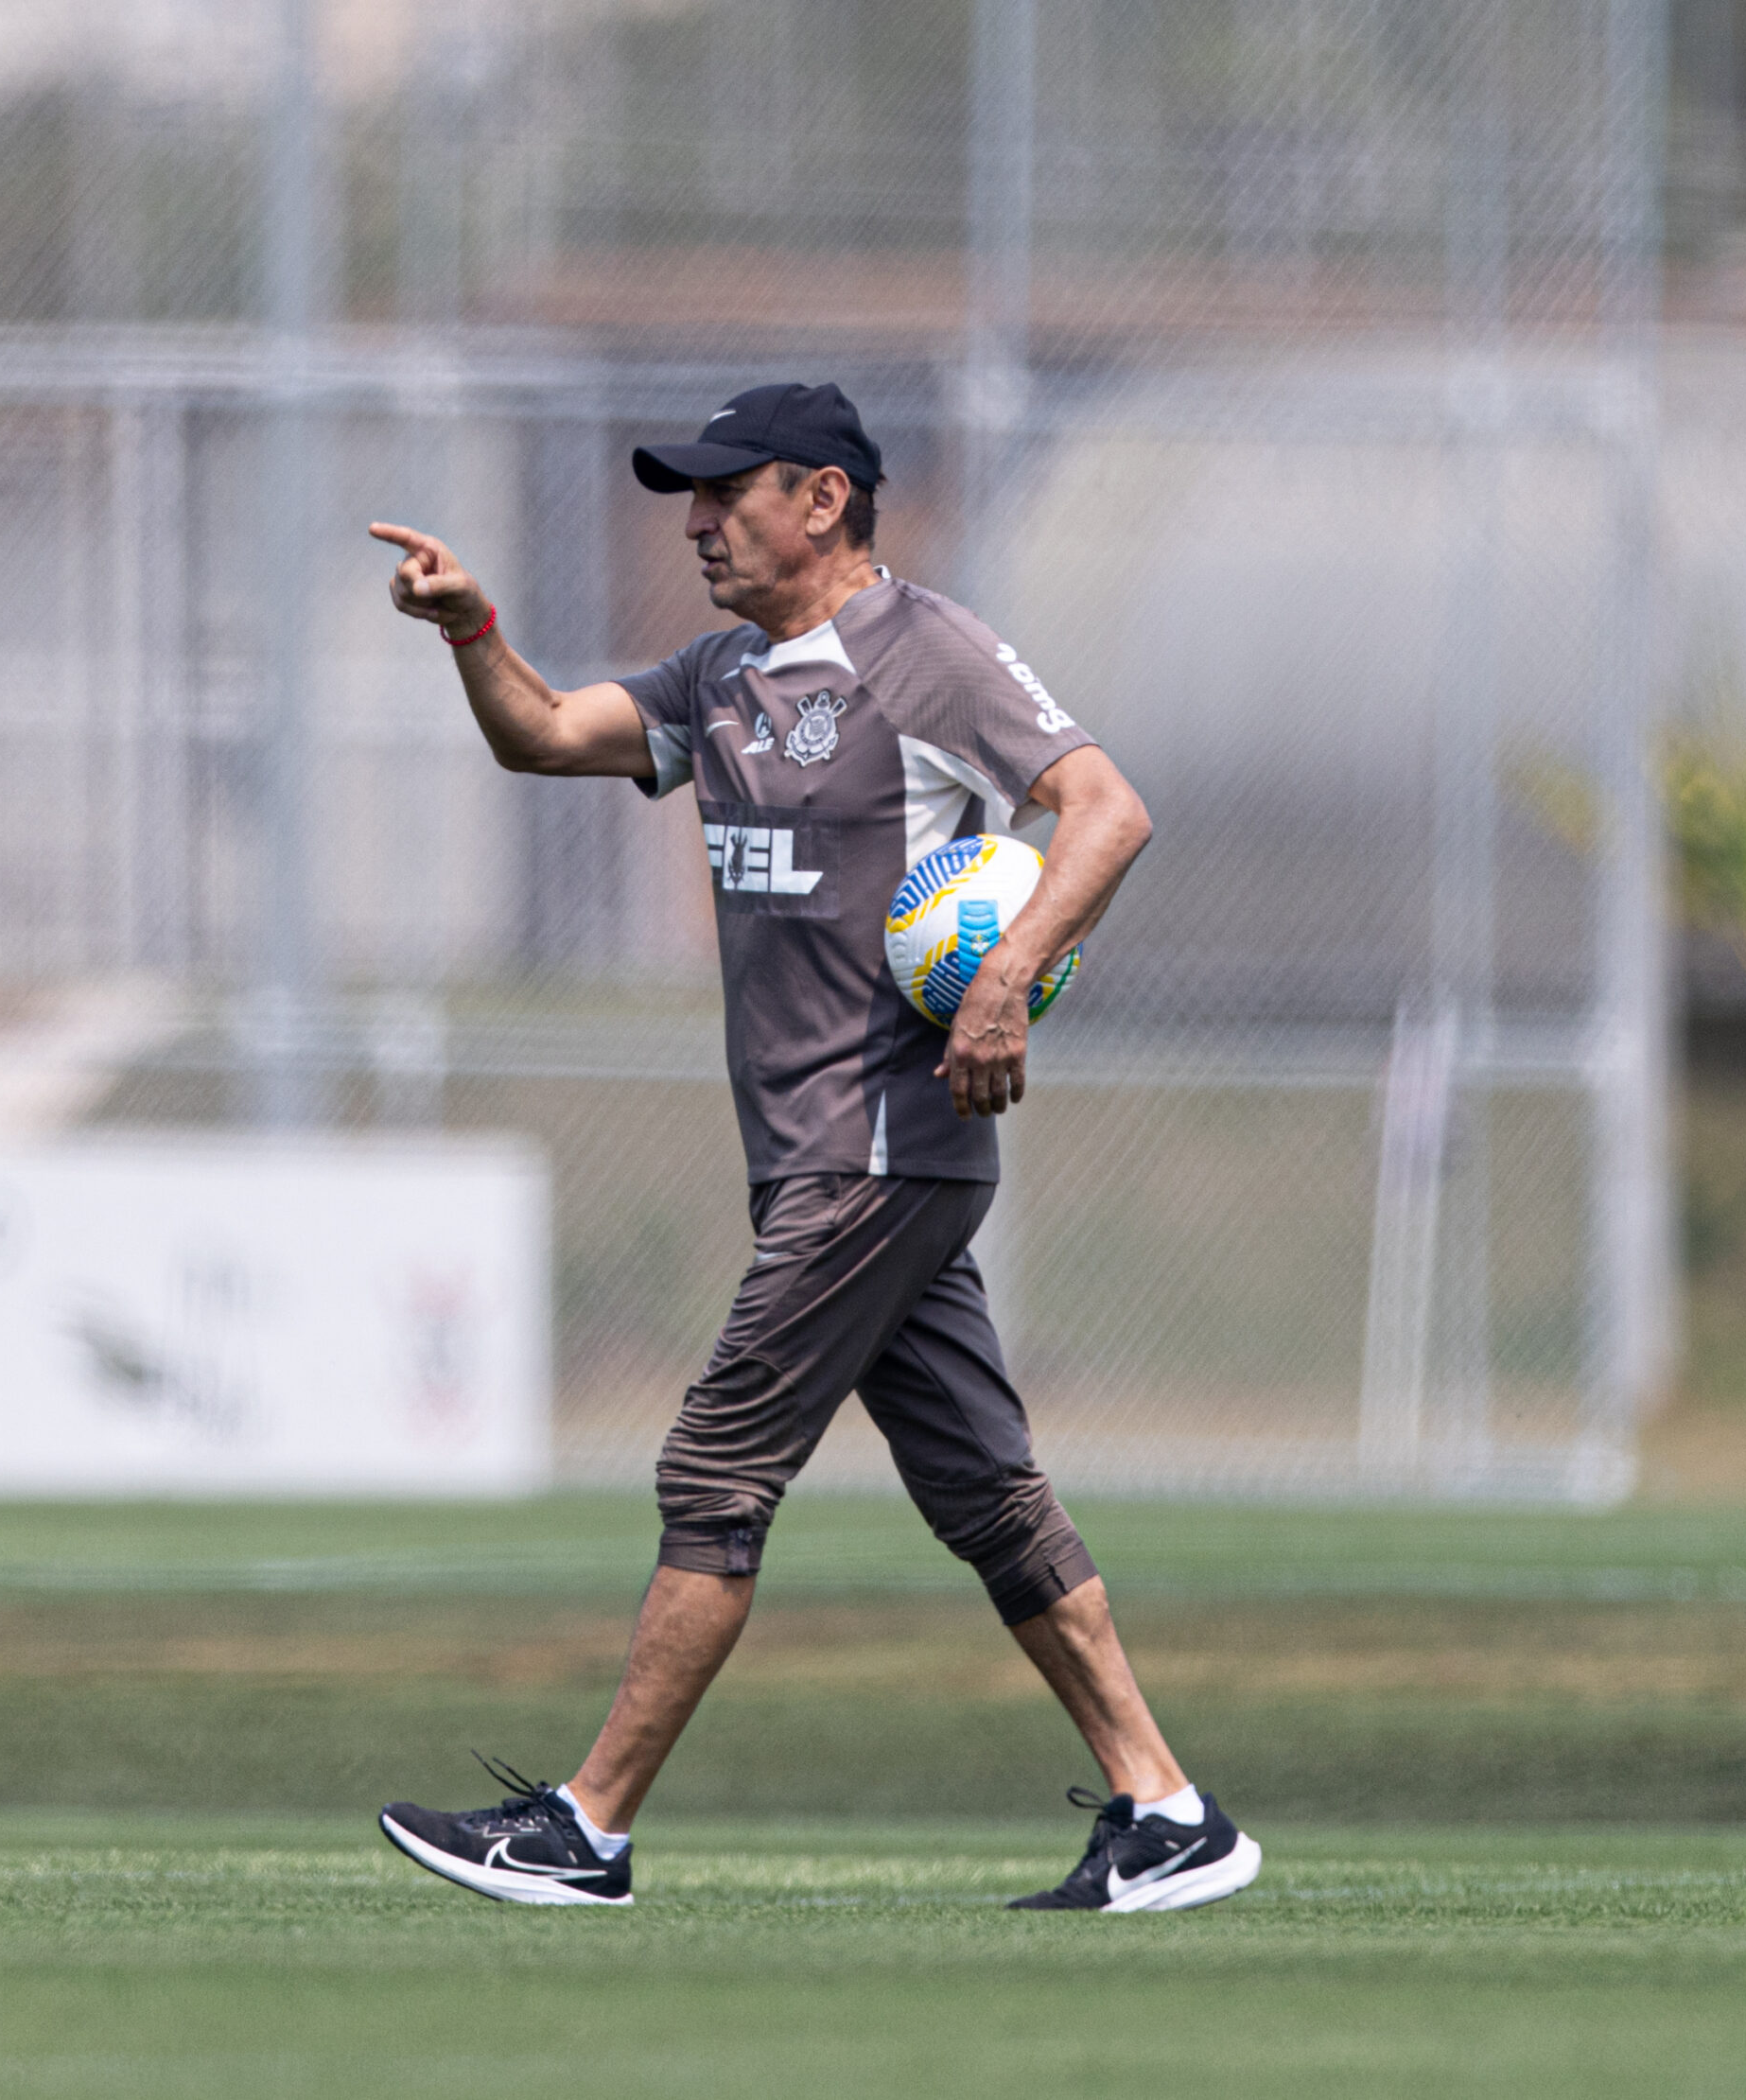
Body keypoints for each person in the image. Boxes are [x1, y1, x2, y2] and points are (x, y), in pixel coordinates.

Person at [366, 381, 1259, 1915]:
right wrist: (471, 631)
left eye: (729, 492)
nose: (700, 523)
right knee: (986, 1494)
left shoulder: (930, 655)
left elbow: (1106, 812)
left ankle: (589, 1829)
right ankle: (1167, 1811)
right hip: (813, 1154)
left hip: (879, 1144)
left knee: (715, 1463)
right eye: (689, 499)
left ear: (826, 500)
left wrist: (998, 988)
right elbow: (548, 736)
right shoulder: (720, 675)